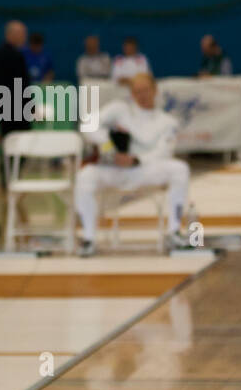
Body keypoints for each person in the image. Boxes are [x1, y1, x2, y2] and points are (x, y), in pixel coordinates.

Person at [75, 72, 189, 257]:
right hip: (114, 170)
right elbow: (87, 126)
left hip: (144, 171)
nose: (142, 95)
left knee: (180, 169)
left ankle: (174, 232)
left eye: (145, 90)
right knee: (85, 175)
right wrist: (108, 146)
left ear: (155, 90)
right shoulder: (119, 109)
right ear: (131, 93)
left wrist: (136, 160)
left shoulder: (168, 122)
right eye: (137, 91)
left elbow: (164, 152)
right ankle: (89, 238)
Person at [0, 20, 30, 185]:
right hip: (14, 107)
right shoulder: (8, 55)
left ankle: (10, 179)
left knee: (11, 144)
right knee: (16, 144)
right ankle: (9, 180)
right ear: (12, 34)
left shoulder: (0, 54)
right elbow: (19, 83)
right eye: (22, 34)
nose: (24, 37)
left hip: (6, 105)